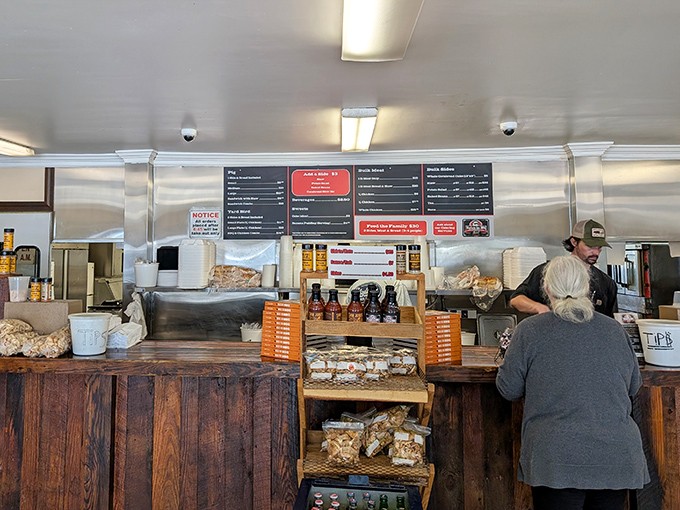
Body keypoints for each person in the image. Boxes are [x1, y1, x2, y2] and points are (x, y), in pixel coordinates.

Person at [496, 255, 649, 510]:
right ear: (587, 289)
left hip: (557, 458)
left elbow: (508, 389)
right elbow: (634, 386)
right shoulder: (614, 330)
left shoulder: (529, 331)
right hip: (616, 457)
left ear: (546, 289)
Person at [510, 218, 618, 317]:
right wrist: (539, 308)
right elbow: (516, 300)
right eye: (590, 246)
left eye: (599, 247)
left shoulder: (606, 283)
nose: (595, 252)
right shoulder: (547, 272)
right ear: (574, 242)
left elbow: (612, 321)